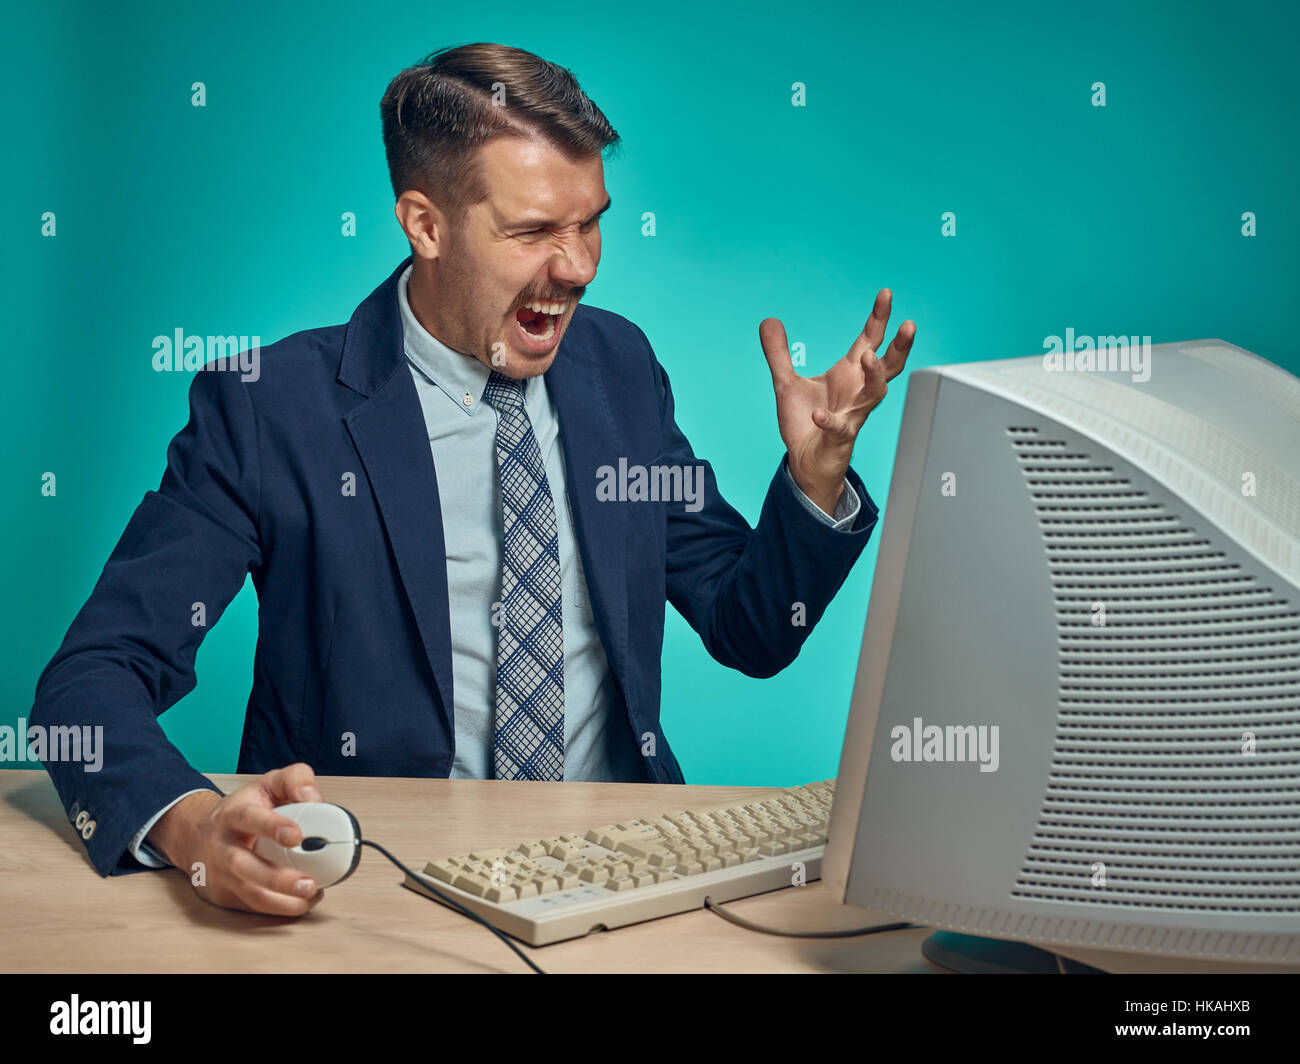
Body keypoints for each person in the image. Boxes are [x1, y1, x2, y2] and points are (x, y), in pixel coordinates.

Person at [30, 42, 915, 917]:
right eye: (533, 231)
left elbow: (749, 630)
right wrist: (193, 829)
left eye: (591, 221)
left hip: (624, 876)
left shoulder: (619, 367)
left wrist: (816, 479)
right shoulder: (270, 411)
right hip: (374, 889)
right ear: (425, 224)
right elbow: (89, 680)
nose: (578, 267)